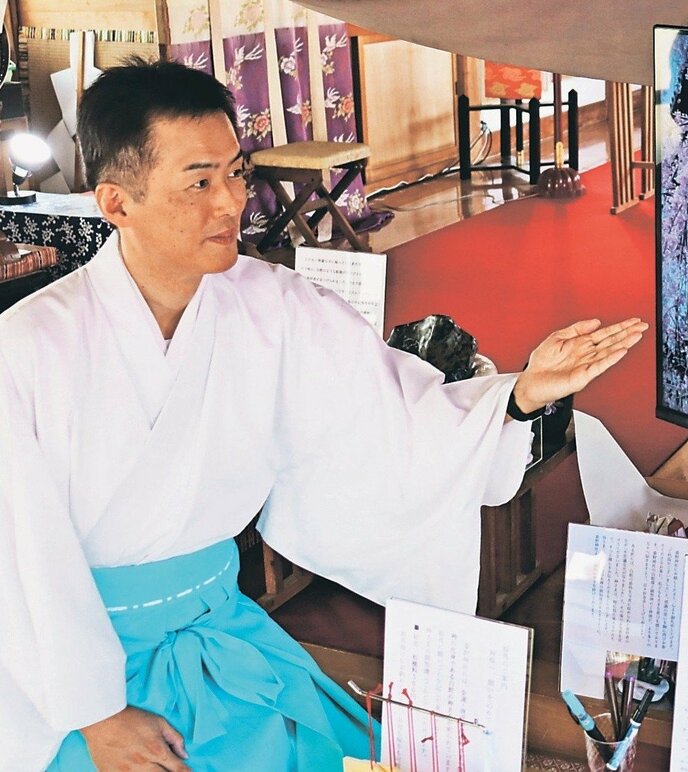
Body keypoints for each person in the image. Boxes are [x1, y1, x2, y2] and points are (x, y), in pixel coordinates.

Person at [0, 59, 647, 771]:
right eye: (200, 182)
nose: (232, 204)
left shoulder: (270, 306)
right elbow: (18, 554)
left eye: (236, 173)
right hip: (71, 674)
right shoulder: (31, 348)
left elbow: (390, 419)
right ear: (117, 203)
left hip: (221, 638)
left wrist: (520, 395)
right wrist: (95, 713)